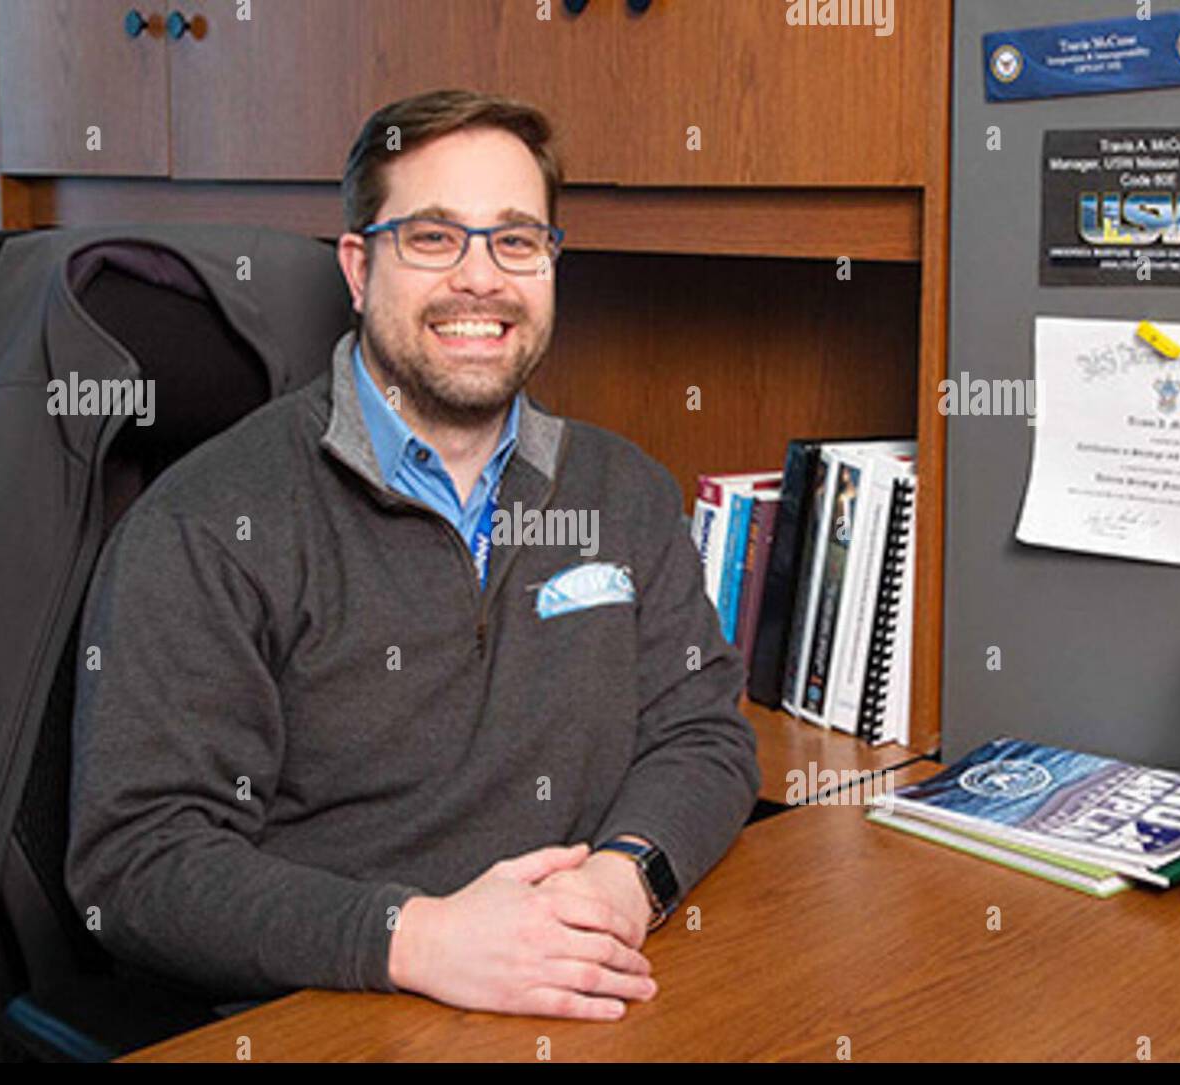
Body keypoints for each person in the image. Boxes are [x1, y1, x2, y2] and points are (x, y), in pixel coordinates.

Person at [67, 89, 759, 1022]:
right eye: (433, 238)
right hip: (336, 1013)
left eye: (517, 241)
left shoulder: (622, 489)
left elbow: (703, 734)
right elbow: (138, 862)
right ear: (358, 268)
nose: (482, 279)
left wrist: (620, 882)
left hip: (586, 989)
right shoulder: (207, 524)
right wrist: (420, 939)